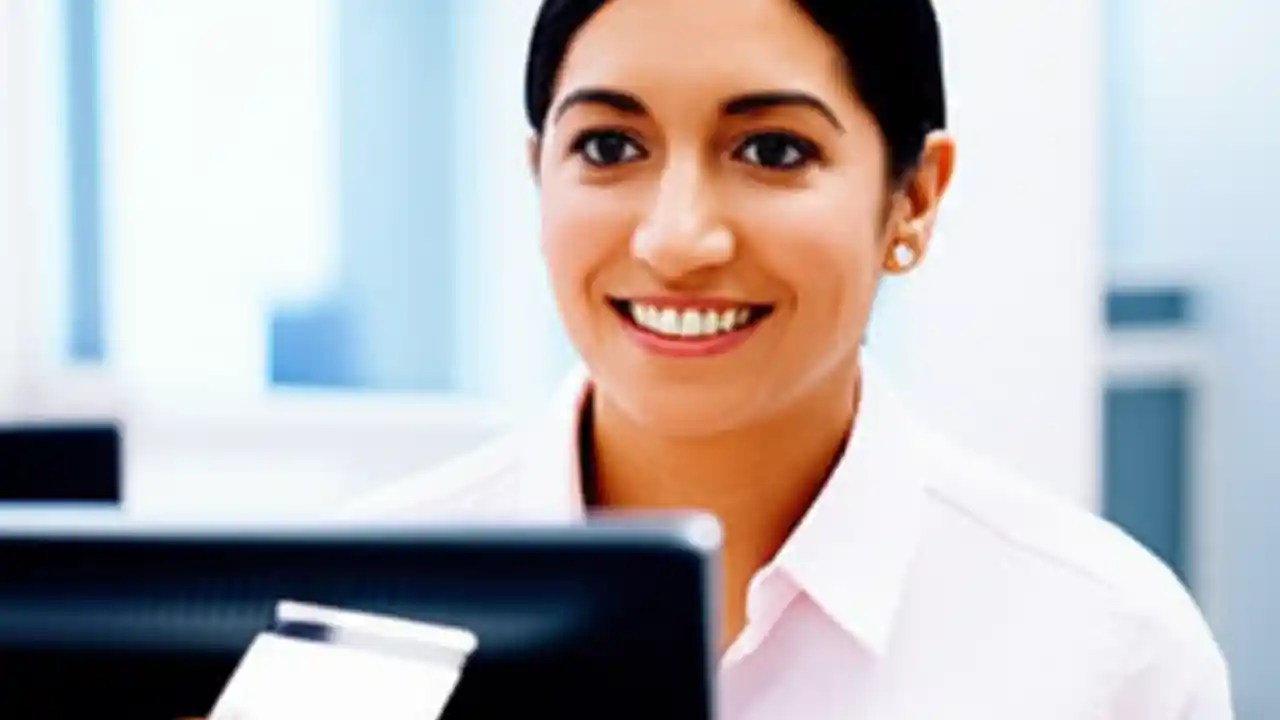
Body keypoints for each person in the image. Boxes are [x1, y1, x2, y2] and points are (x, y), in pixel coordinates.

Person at [350, 0, 1233, 717]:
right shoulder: (349, 613)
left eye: (773, 151)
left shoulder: (1108, 648)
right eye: (610, 147)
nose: (678, 238)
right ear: (540, 175)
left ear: (913, 200)